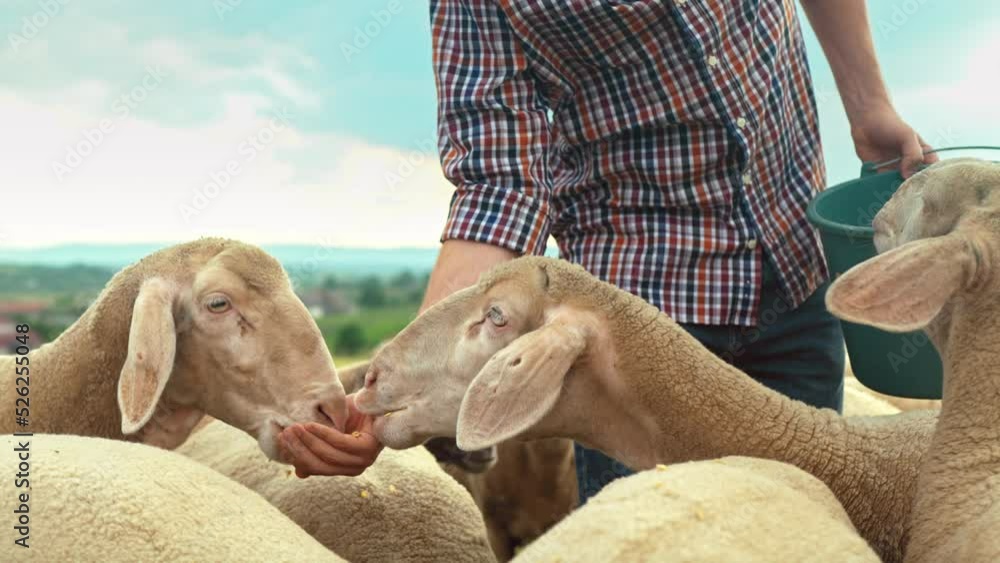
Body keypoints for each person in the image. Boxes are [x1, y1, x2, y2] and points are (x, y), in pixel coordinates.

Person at [281, 0, 937, 501]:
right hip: (639, 335)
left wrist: (868, 106)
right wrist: (392, 396)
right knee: (656, 537)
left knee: (805, 528)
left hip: (794, 265)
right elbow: (498, 187)